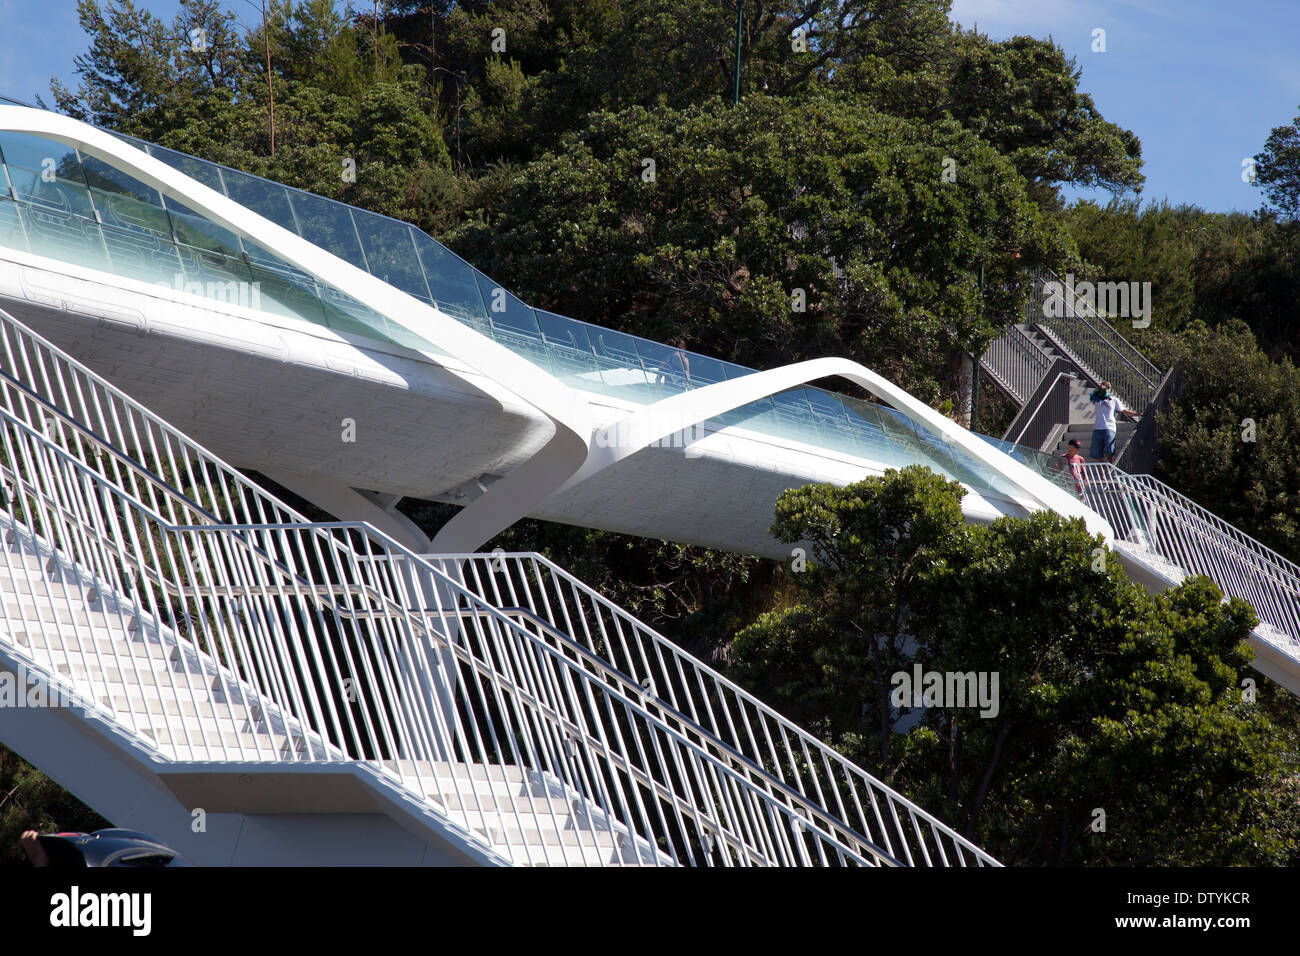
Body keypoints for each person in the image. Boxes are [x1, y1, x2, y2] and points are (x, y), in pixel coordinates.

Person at [1088, 381, 1136, 463]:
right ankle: (1102, 472)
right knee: (1097, 453)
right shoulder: (1097, 399)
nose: (1107, 387)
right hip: (1098, 428)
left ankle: (1111, 467)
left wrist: (1137, 414)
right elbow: (1093, 396)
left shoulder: (1114, 400)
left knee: (1110, 449)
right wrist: (1101, 389)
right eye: (1106, 385)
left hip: (1109, 427)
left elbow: (1124, 411)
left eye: (1109, 386)